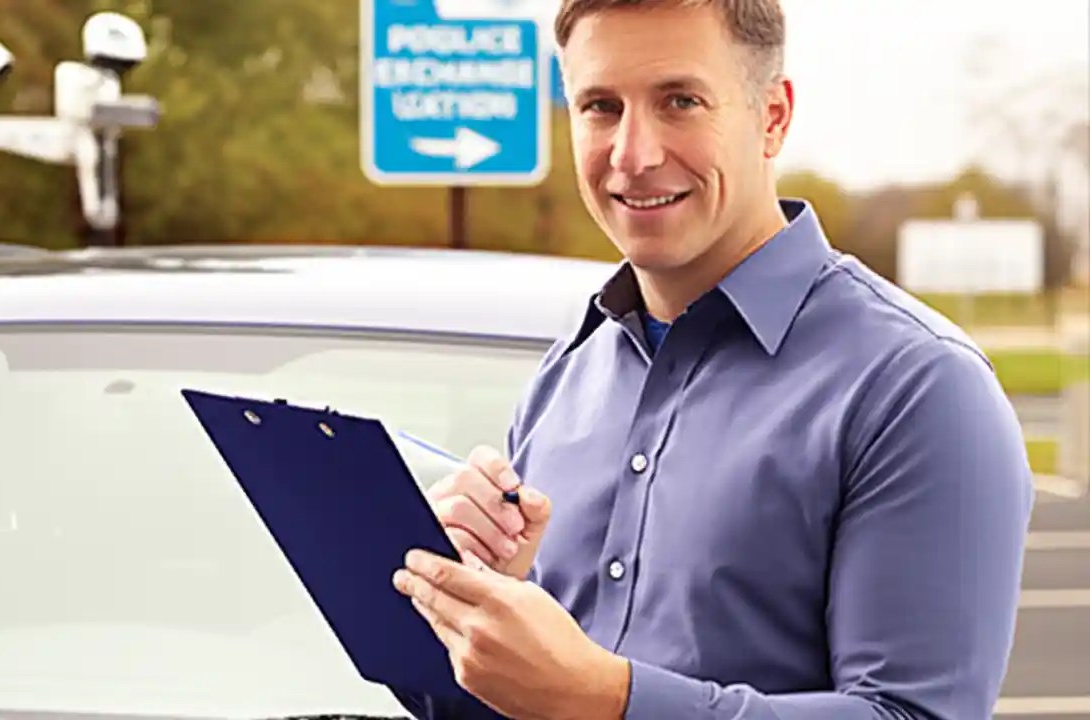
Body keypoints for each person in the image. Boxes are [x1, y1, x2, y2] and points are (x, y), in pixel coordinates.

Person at [389, 0, 1035, 718]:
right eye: (601, 106)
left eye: (680, 101)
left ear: (773, 117)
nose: (633, 154)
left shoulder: (918, 388)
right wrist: (454, 607)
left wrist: (606, 699)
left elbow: (912, 715)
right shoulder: (568, 373)